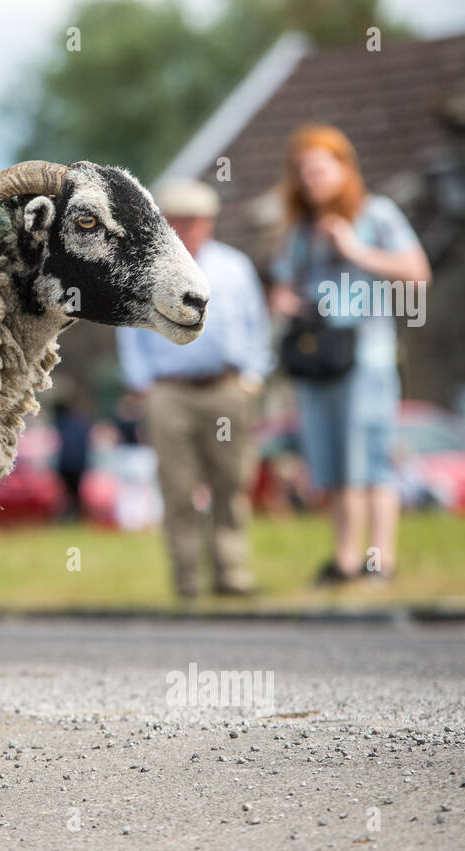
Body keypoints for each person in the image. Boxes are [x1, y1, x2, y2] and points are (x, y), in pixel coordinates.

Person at [268, 124, 431, 584]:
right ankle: (344, 561)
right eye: (303, 171)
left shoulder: (376, 215)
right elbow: (282, 285)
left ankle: (379, 560)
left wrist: (357, 250)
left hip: (366, 355)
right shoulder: (298, 232)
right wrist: (281, 300)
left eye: (320, 168)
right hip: (316, 357)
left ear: (345, 169)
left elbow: (417, 274)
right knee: (331, 462)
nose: (311, 178)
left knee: (371, 458)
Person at [116, 179, 272, 598]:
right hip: (169, 391)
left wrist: (252, 377)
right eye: (180, 220)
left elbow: (257, 324)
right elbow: (129, 331)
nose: (190, 228)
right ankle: (187, 579)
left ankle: (233, 573)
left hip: (226, 385)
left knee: (232, 481)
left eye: (197, 220)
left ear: (210, 222)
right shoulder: (147, 266)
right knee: (178, 487)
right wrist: (143, 385)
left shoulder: (233, 266)